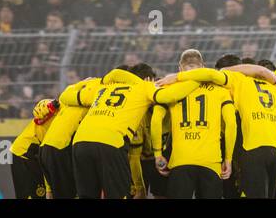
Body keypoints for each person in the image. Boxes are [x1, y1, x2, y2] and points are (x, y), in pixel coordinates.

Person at [64, 63, 199, 199]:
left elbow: (65, 97)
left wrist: (80, 84)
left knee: (87, 195)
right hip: (111, 143)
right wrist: (197, 80)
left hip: (80, 143)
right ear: (148, 79)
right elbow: (169, 96)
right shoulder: (144, 86)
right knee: (118, 194)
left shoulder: (103, 87)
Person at [150, 48, 238, 199]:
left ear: (180, 68)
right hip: (211, 161)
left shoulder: (168, 87)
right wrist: (228, 159)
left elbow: (156, 121)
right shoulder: (221, 90)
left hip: (180, 160)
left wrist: (158, 154)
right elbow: (231, 124)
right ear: (202, 67)